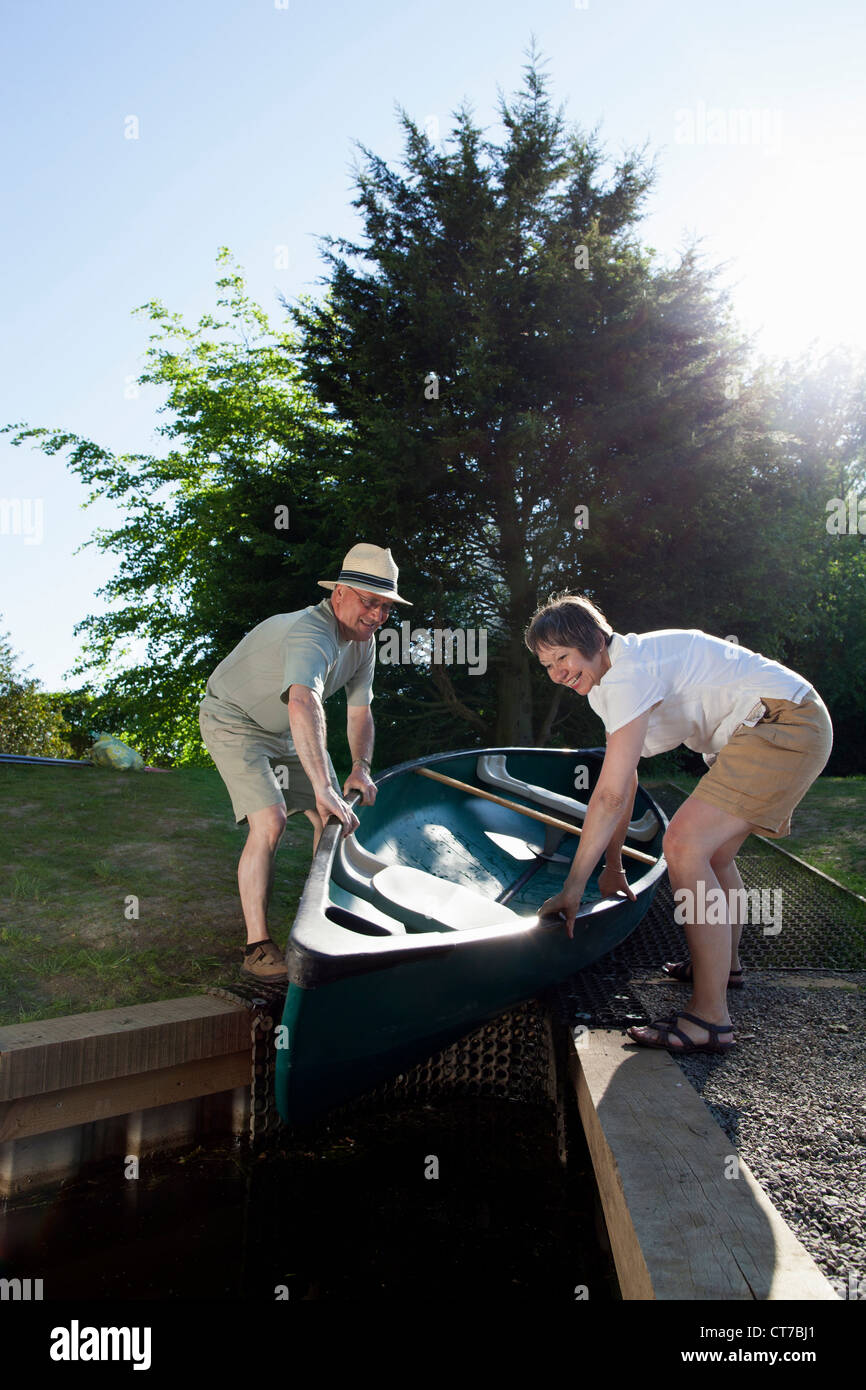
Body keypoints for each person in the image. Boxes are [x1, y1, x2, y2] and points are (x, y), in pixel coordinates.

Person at [524, 593, 833, 1054]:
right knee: (715, 852)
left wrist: (572, 887)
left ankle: (709, 1019)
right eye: (547, 665)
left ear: (594, 642)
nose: (557, 674)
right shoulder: (611, 683)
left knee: (684, 845)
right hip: (780, 723)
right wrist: (614, 867)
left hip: (782, 723)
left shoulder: (629, 673)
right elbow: (623, 783)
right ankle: (724, 967)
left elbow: (607, 795)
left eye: (563, 658)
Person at [199, 543, 412, 980]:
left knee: (331, 818)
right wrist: (324, 785)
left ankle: (315, 921)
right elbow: (303, 701)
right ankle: (257, 946)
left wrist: (360, 768)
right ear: (339, 594)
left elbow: (360, 711)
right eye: (369, 603)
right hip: (234, 720)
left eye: (386, 608)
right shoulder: (310, 633)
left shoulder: (362, 644)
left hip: (282, 730)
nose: (376, 616)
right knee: (271, 821)